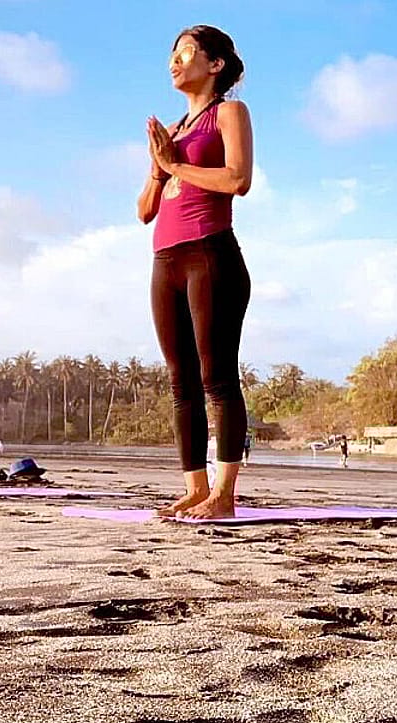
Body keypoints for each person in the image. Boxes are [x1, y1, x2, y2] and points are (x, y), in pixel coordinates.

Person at [139, 24, 253, 519]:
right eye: (172, 55)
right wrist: (157, 166)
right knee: (179, 379)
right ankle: (194, 487)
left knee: (217, 376)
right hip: (166, 259)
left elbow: (238, 179)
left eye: (186, 53)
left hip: (211, 253)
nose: (175, 63)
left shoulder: (229, 112)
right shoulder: (173, 129)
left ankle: (224, 494)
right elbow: (145, 210)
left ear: (215, 65)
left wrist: (176, 165)